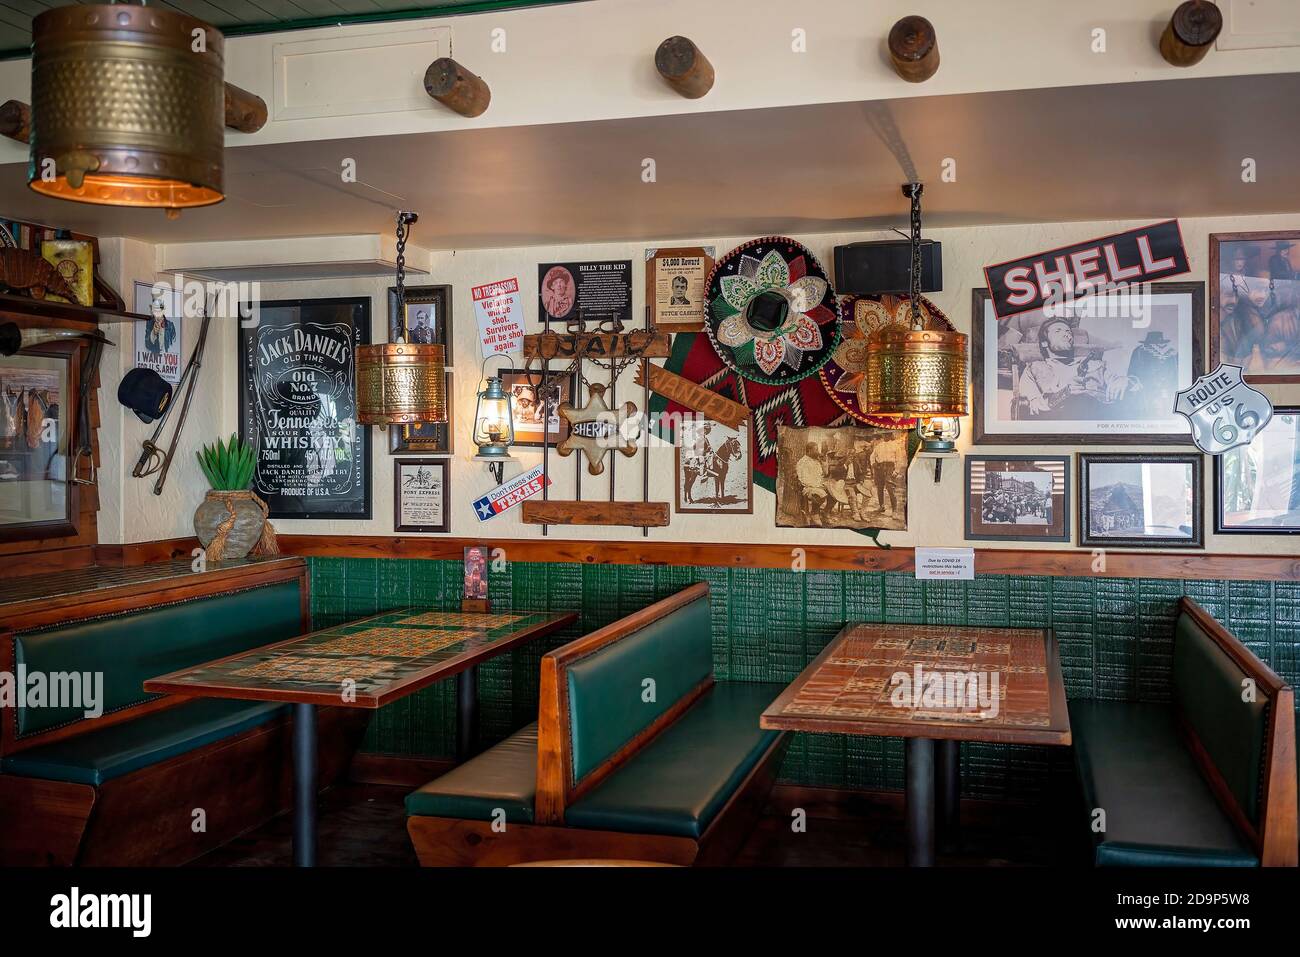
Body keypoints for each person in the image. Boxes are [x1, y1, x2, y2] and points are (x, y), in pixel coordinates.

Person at [1016, 318, 1136, 419]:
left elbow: (1120, 382)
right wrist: (1064, 394)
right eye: (1058, 331)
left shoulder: (1095, 364)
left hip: (1102, 417)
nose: (1066, 334)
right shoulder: (1034, 369)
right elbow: (1031, 406)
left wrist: (1126, 381)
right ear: (1044, 343)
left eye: (1068, 331)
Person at [1125, 330, 1178, 418]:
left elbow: (1131, 374)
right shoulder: (1172, 352)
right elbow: (1176, 375)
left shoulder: (1139, 351)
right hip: (1167, 392)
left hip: (1146, 392)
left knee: (1147, 413)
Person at [794, 441, 828, 520]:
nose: (818, 452)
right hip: (807, 487)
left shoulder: (816, 461)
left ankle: (826, 512)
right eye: (815, 450)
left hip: (817, 485)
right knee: (820, 494)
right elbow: (804, 479)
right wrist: (818, 486)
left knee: (834, 492)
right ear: (809, 450)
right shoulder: (803, 462)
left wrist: (823, 462)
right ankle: (814, 514)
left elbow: (825, 474)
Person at [871, 436, 903, 515]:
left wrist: (896, 471)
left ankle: (894, 511)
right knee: (880, 488)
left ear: (891, 434)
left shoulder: (895, 445)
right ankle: (881, 507)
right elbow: (872, 456)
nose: (886, 435)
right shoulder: (879, 445)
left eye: (888, 434)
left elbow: (899, 459)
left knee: (890, 489)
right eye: (884, 434)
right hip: (879, 468)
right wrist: (873, 463)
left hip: (890, 468)